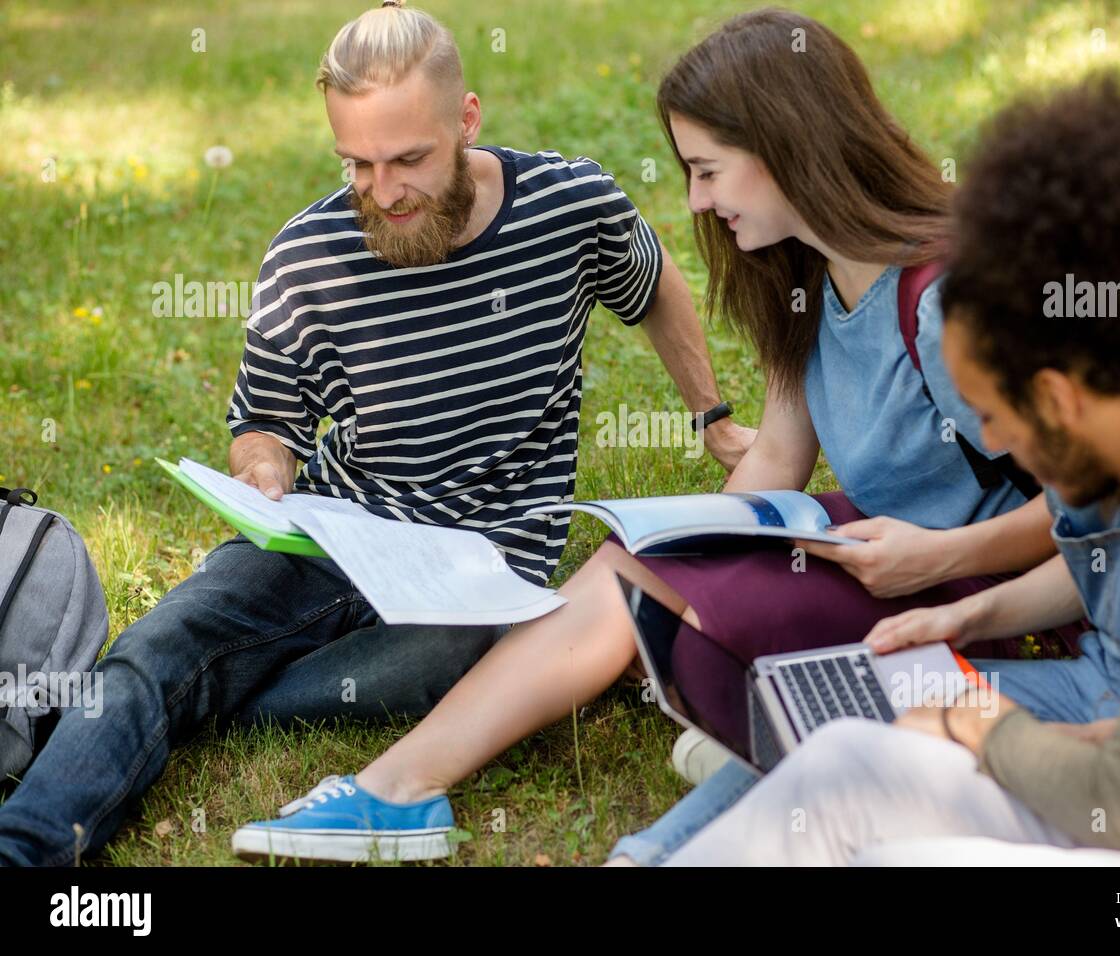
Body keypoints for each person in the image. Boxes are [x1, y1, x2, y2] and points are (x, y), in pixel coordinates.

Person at [233, 9, 1113, 865]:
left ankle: (405, 790)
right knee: (646, 595)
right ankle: (404, 788)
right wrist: (688, 551)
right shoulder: (803, 277)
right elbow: (778, 456)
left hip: (990, 592)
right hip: (890, 554)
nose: (695, 199)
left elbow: (1095, 513)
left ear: (790, 153)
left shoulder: (949, 299)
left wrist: (940, 553)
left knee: (653, 619)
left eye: (709, 170)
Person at [0, 2, 750, 867]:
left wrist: (713, 418)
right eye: (356, 162)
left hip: (480, 574)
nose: (383, 191)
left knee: (408, 678)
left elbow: (654, 287)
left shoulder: (568, 208)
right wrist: (264, 470)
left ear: (466, 120)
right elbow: (267, 423)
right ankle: (26, 846)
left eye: (408, 160)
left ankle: (176, 703)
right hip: (333, 534)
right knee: (161, 646)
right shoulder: (308, 254)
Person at [663, 72, 1120, 866]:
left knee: (889, 845)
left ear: (1058, 397)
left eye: (991, 415)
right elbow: (1118, 570)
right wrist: (968, 623)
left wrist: (977, 724)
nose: (990, 442)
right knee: (842, 748)